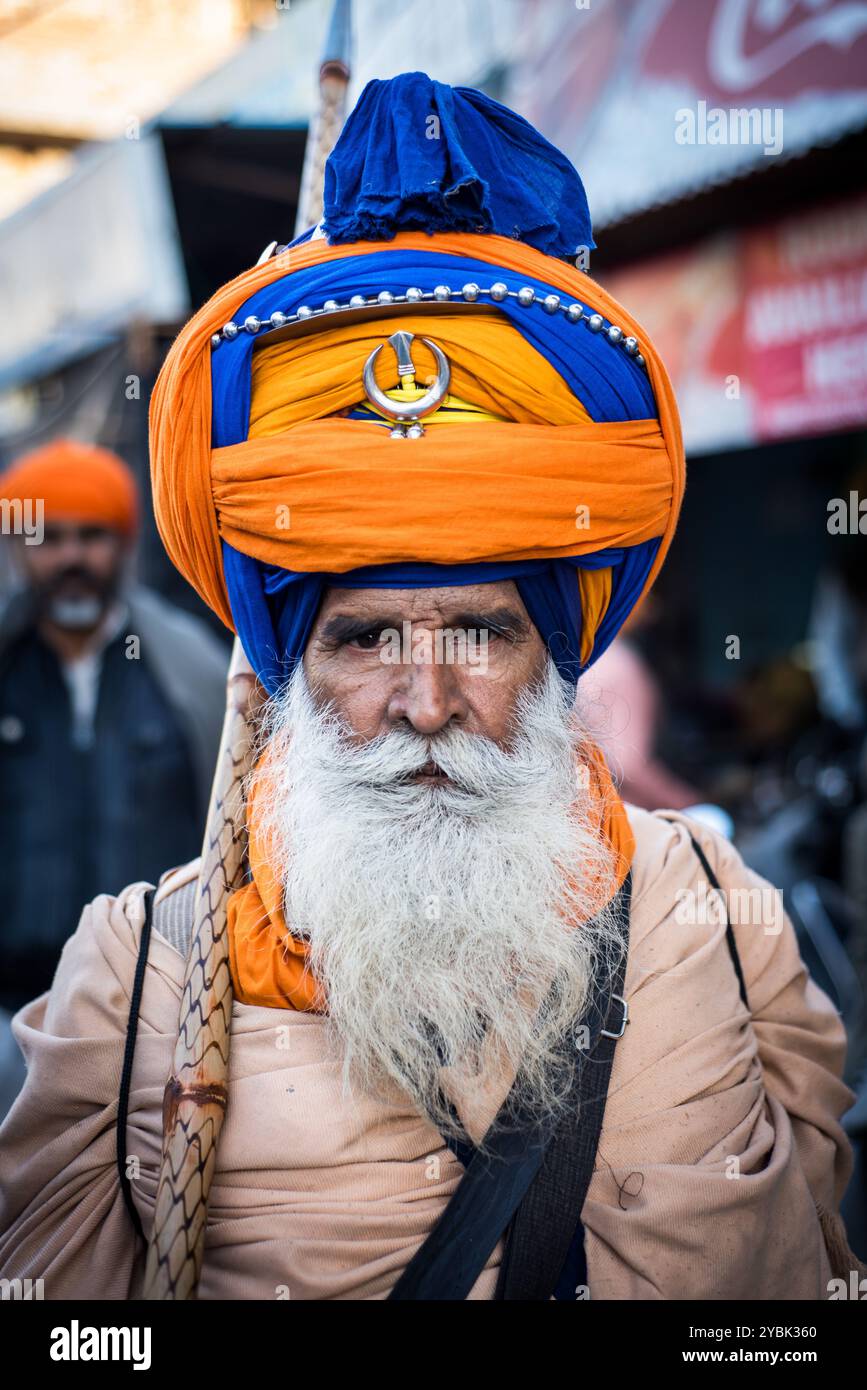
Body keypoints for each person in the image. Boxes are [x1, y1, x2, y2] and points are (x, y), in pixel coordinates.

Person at [0, 74, 862, 1301]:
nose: (423, 700)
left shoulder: (723, 920)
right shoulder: (137, 979)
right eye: (361, 641)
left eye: (477, 633)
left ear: (557, 655)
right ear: (290, 665)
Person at [0, 439, 229, 1010]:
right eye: (49, 538)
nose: (71, 558)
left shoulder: (191, 670)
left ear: (125, 545)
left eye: (91, 536)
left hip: (154, 1004)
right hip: (8, 1002)